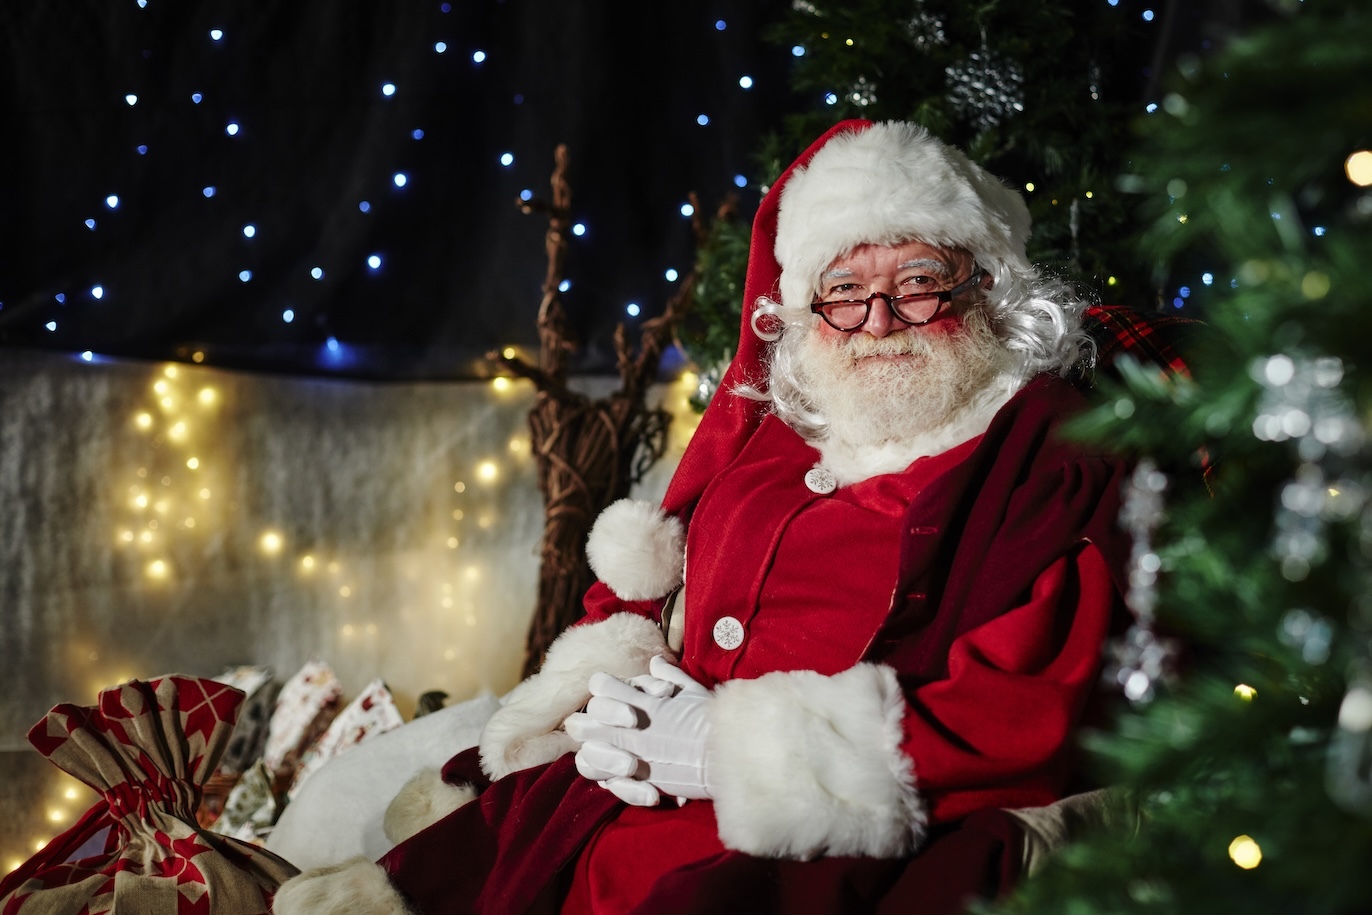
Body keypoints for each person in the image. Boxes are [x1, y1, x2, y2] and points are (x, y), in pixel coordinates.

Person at [275, 119, 1147, 914]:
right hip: (622, 796)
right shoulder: (769, 443)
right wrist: (601, 703)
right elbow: (641, 607)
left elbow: (1031, 707)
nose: (879, 319)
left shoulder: (1050, 457)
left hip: (814, 841)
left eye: (920, 282)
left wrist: (735, 752)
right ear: (803, 313)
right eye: (843, 290)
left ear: (987, 290)